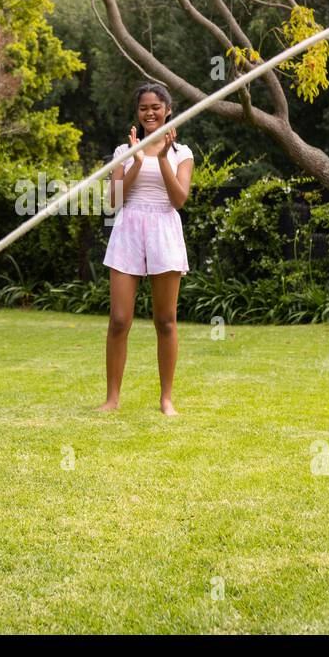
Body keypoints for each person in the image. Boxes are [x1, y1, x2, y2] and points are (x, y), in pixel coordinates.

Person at [98, 83, 194, 416]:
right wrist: (136, 159)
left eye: (156, 107)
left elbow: (178, 200)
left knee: (166, 320)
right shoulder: (122, 151)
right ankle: (112, 399)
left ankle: (166, 398)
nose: (149, 112)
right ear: (137, 112)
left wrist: (163, 158)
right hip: (128, 230)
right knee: (119, 320)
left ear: (168, 109)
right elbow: (112, 201)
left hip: (164, 230)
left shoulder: (182, 153)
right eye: (143, 108)